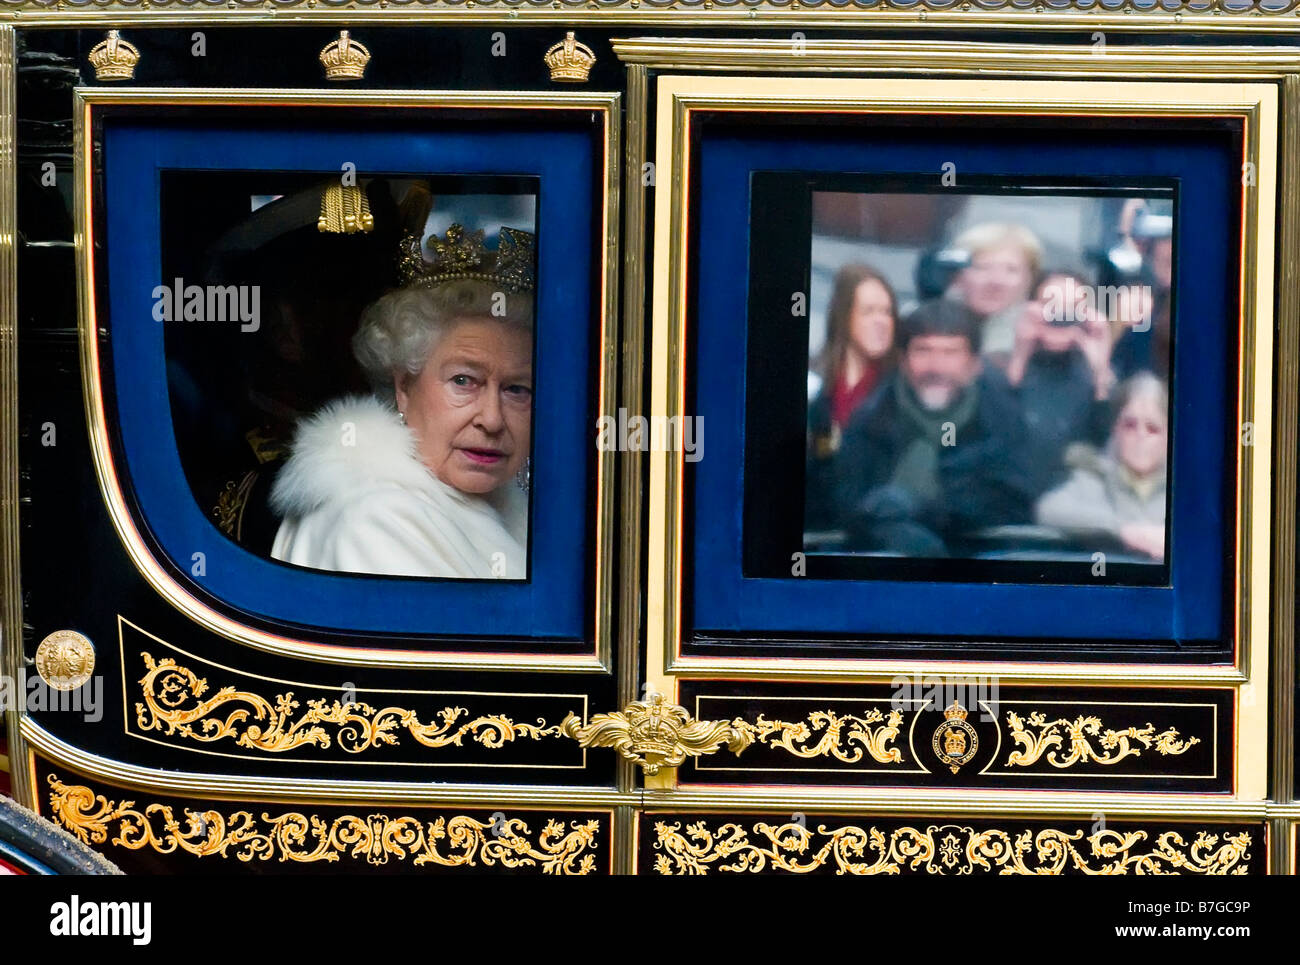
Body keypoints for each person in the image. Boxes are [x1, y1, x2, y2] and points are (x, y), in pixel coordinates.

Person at [270, 277, 533, 578]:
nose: (492, 419)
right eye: (463, 381)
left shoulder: (507, 506)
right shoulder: (372, 519)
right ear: (404, 387)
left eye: (516, 389)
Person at [833, 298, 1040, 557]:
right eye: (923, 350)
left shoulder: (1001, 418)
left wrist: (925, 509)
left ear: (974, 364)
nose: (936, 366)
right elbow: (842, 503)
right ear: (904, 360)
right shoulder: (871, 418)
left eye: (950, 352)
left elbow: (1015, 504)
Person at [1035, 372, 1168, 562]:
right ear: (1116, 430)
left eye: (1152, 428)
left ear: (1168, 437)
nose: (1140, 436)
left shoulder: (1185, 490)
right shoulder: (1093, 476)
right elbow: (1049, 510)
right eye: (1130, 425)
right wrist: (1125, 530)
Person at [806, 264, 898, 532]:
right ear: (843, 316)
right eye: (869, 312)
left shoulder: (900, 388)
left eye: (887, 312)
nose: (882, 321)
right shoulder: (815, 385)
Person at [1005, 271, 1116, 486]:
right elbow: (996, 438)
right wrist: (1020, 354)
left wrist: (1101, 371)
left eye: (1072, 307)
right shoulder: (997, 369)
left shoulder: (1101, 379)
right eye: (1050, 304)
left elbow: (1110, 447)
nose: (1060, 316)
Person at [948, 222, 1043, 362]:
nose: (996, 281)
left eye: (1011, 270)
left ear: (1029, 279)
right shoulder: (923, 327)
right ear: (957, 276)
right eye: (982, 267)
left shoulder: (1046, 338)